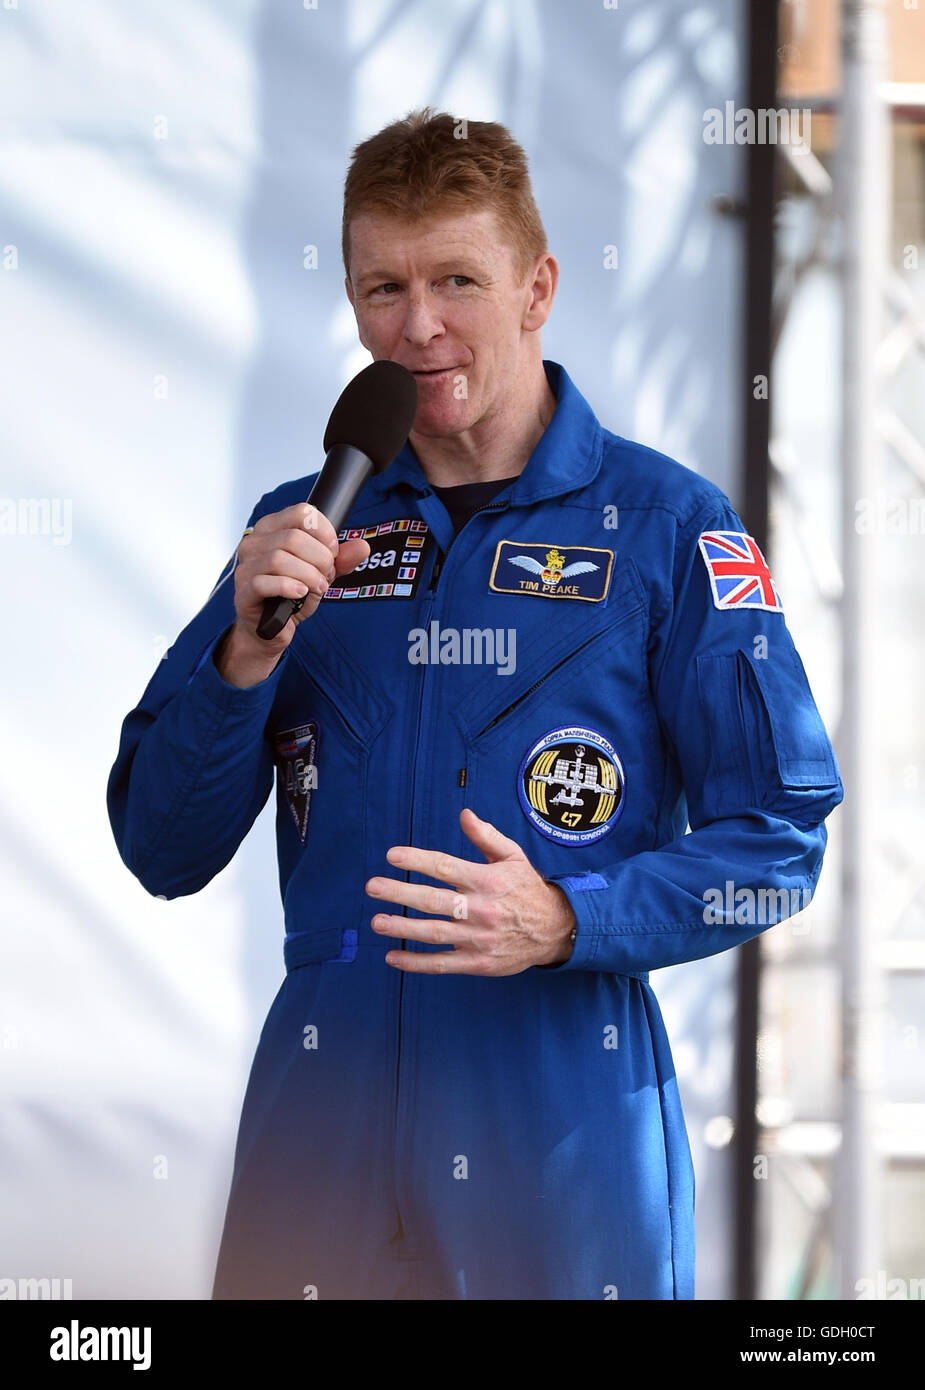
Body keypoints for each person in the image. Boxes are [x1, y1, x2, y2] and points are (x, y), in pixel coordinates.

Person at [107, 108, 844, 1300]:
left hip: (558, 1112)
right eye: (381, 287)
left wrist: (568, 918)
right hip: (322, 1101)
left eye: (457, 278)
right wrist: (240, 660)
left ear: (538, 285)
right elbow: (160, 846)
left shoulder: (665, 524)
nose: (417, 325)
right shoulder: (306, 528)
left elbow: (777, 840)